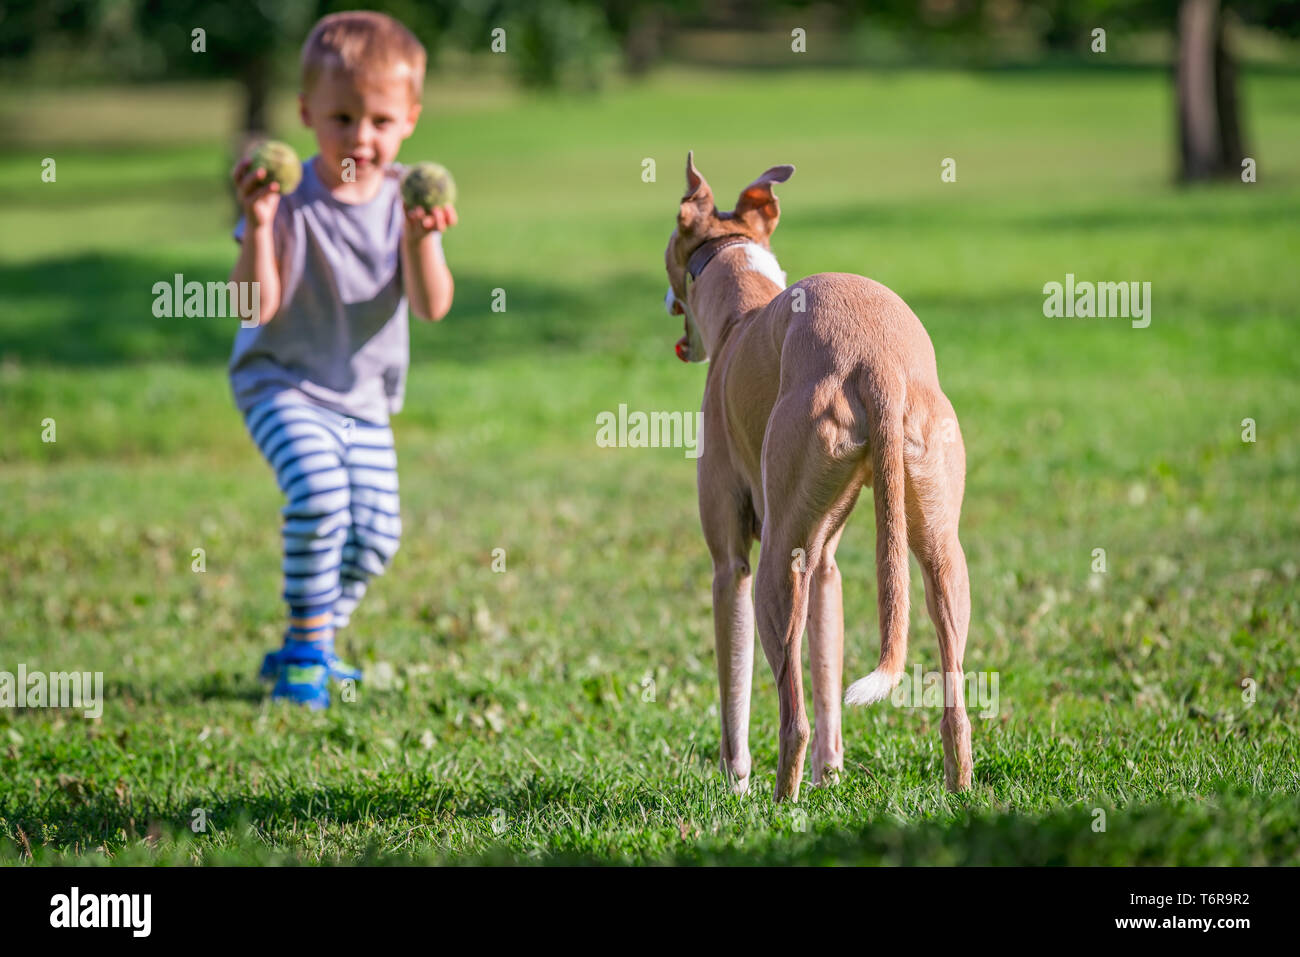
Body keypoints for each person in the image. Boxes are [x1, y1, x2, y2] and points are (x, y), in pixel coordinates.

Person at [228, 10, 457, 708]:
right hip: (281, 383)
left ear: (411, 118)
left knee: (376, 537)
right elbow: (251, 307)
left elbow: (432, 305)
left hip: (362, 398)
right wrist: (260, 228)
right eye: (341, 118)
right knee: (320, 497)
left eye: (381, 121)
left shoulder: (406, 196)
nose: (362, 136)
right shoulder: (286, 198)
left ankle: (318, 636)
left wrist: (422, 242)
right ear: (305, 113)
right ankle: (304, 651)